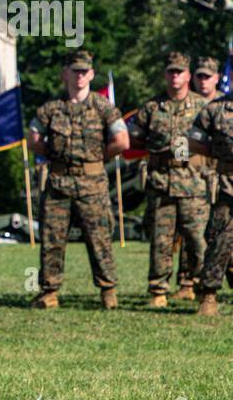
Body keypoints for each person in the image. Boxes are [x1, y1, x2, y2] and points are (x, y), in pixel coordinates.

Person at [29, 50, 130, 310]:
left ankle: (108, 291)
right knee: (52, 238)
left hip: (92, 183)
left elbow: (122, 141)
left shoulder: (103, 107)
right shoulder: (51, 109)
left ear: (92, 75)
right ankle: (49, 291)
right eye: (75, 71)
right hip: (59, 181)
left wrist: (97, 159)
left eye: (85, 71)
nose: (80, 75)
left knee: (99, 238)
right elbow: (34, 140)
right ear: (66, 74)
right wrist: (55, 157)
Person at [130, 52, 208, 306]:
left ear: (188, 75)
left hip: (193, 182)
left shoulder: (201, 106)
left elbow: (214, 138)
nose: (175, 76)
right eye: (171, 72)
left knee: (197, 238)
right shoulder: (152, 107)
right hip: (161, 181)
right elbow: (133, 138)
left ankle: (193, 283)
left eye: (180, 72)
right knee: (161, 239)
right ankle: (158, 290)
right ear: (165, 75)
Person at [188, 80, 233, 316]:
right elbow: (193, 141)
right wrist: (218, 154)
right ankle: (209, 296)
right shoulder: (215, 109)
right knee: (218, 238)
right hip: (227, 183)